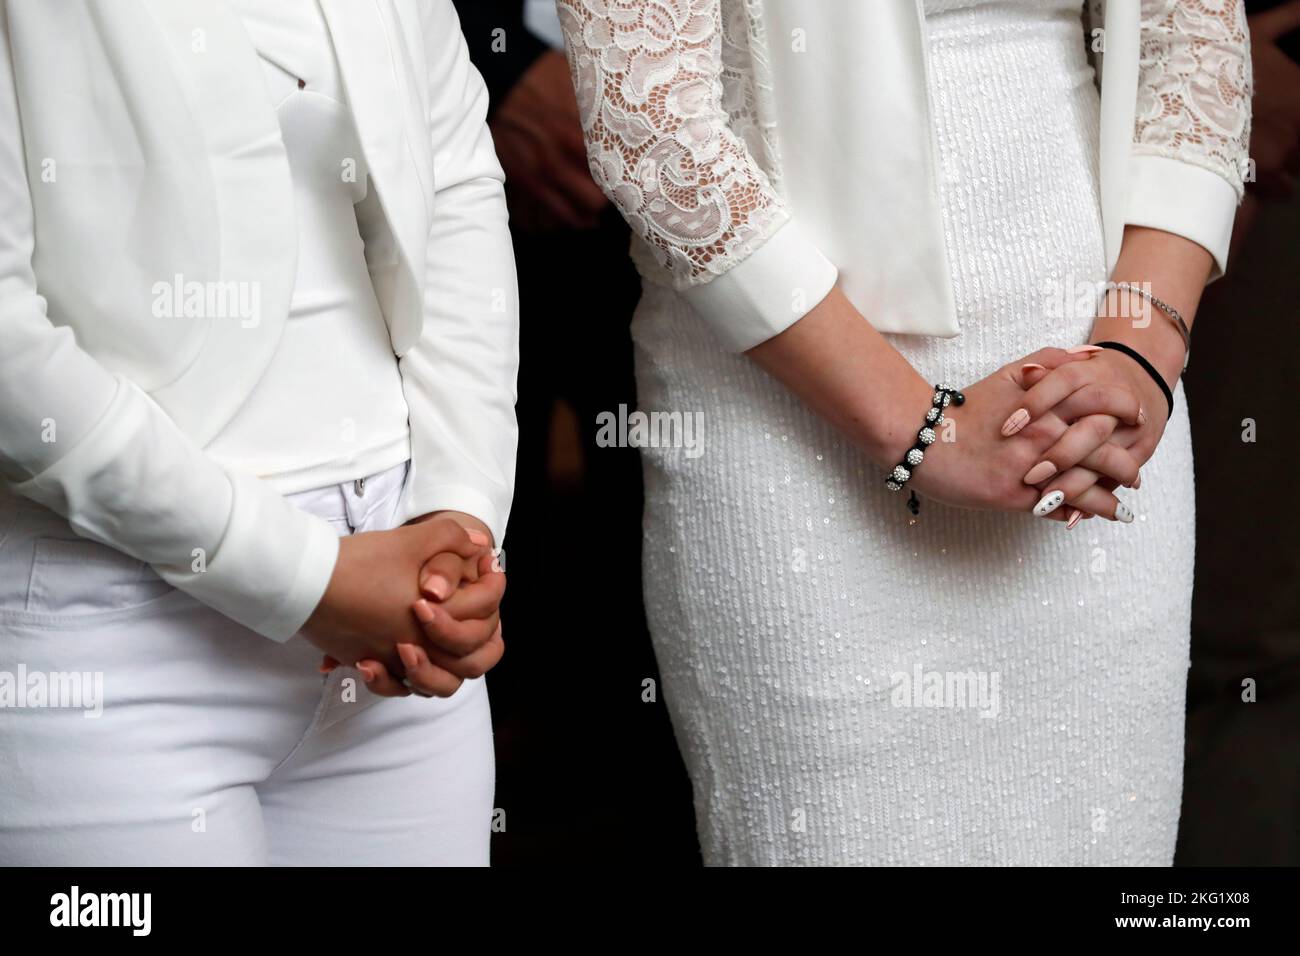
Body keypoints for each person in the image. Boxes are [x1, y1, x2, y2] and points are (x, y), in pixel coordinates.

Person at [557, 0, 1252, 864]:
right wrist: (929, 432)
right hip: (784, 410)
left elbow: (1197, 44)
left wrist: (1138, 357)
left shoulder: (1113, 380)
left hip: (1091, 398)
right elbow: (648, 128)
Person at [0, 1, 516, 865]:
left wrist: (457, 521)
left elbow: (455, 175)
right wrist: (302, 578)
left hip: (400, 607)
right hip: (111, 634)